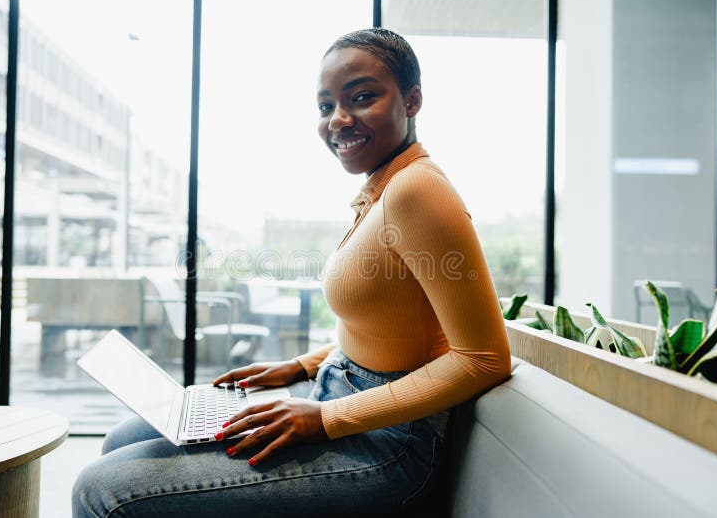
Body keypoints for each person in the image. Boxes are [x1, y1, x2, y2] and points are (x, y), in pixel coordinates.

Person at [72, 28, 510, 517]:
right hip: (336, 389)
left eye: (362, 97)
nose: (339, 121)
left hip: (391, 445)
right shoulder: (383, 189)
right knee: (123, 438)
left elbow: (483, 358)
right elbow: (394, 325)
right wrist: (300, 367)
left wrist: (325, 418)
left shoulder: (418, 192)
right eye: (326, 107)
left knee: (102, 490)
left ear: (412, 100)